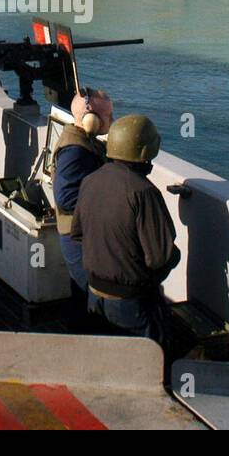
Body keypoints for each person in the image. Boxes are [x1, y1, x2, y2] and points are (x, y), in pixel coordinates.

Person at [72, 114, 180, 345]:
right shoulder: (143, 192)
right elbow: (160, 257)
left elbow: (78, 234)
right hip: (130, 302)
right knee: (146, 368)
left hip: (94, 294)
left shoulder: (90, 181)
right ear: (144, 153)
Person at [52, 88, 114, 299]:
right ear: (91, 120)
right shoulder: (74, 151)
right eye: (108, 116)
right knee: (89, 294)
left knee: (82, 294)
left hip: (81, 233)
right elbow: (66, 198)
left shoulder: (82, 141)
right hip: (77, 236)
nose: (112, 120)